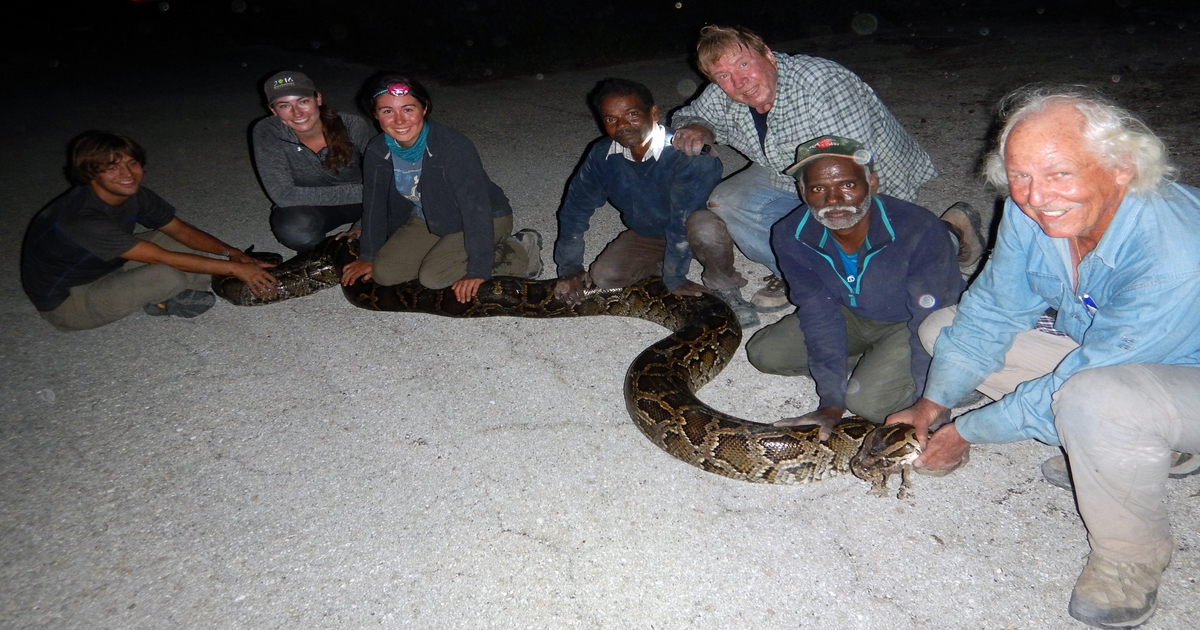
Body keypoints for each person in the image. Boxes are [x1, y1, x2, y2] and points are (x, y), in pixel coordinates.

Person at [887, 85, 1200, 629]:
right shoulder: (1029, 209)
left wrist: (967, 431)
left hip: (1180, 374)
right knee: (946, 328)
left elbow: (1081, 376)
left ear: (1122, 167)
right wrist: (933, 405)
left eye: (1060, 174)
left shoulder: (1175, 251)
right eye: (1021, 175)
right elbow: (992, 310)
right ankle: (1150, 447)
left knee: (1094, 399)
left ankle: (1129, 558)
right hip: (1124, 357)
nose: (1037, 196)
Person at [670, 25, 980, 310]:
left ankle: (949, 231)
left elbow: (849, 174)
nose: (738, 81)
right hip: (785, 172)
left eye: (742, 64)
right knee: (727, 200)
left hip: (862, 178)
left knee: (884, 273)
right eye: (722, 76)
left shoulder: (821, 82)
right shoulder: (722, 96)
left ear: (767, 53)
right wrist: (697, 127)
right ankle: (802, 275)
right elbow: (689, 115)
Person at [745, 135, 963, 430]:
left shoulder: (918, 228)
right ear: (802, 191)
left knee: (869, 404)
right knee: (764, 354)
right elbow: (818, 311)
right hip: (851, 313)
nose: (833, 200)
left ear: (872, 183)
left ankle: (961, 376)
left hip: (912, 320)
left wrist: (935, 409)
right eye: (818, 188)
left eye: (847, 185)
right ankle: (871, 364)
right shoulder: (790, 234)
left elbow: (931, 320)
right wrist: (831, 402)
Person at [21, 131, 278, 331]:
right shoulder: (81, 218)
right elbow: (160, 258)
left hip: (105, 262)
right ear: (89, 173)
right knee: (167, 276)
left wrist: (232, 253)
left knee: (170, 241)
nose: (127, 174)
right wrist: (235, 268)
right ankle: (163, 299)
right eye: (112, 167)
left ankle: (211, 280)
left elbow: (180, 231)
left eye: (132, 163)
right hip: (69, 301)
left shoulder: (135, 194)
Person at [553, 78, 758, 327]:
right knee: (605, 277)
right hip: (650, 233)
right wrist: (570, 267)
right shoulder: (602, 155)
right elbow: (575, 209)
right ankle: (663, 262)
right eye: (610, 119)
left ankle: (725, 285)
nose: (622, 126)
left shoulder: (688, 153)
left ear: (653, 112)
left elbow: (682, 221)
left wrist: (675, 278)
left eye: (632, 114)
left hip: (693, 226)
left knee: (705, 227)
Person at [341, 73, 541, 304]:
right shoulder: (377, 150)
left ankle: (522, 248)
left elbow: (475, 209)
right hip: (427, 218)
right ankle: (444, 251)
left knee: (434, 277)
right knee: (385, 274)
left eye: (408, 109)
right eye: (387, 111)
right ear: (375, 115)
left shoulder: (453, 147)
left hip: (483, 217)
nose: (399, 120)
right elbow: (374, 205)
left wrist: (478, 270)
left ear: (424, 108)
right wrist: (368, 254)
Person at [252, 70, 376, 251]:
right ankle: (324, 253)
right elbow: (284, 195)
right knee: (294, 231)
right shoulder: (267, 131)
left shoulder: (352, 125)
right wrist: (363, 191)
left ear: (318, 99)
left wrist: (362, 226)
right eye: (284, 105)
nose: (297, 112)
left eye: (303, 101)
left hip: (364, 203)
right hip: (314, 204)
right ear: (273, 110)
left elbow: (385, 178)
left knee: (403, 204)